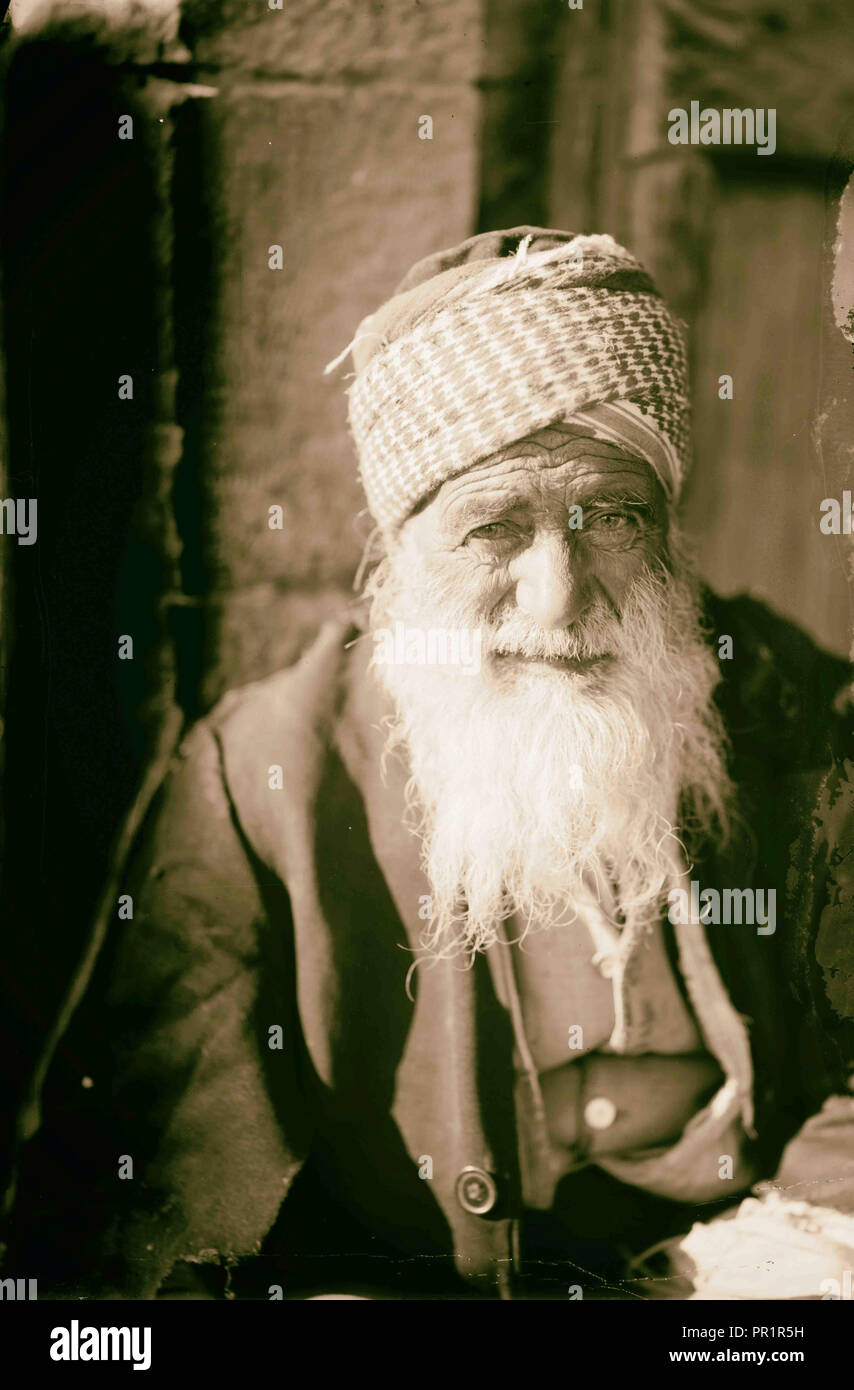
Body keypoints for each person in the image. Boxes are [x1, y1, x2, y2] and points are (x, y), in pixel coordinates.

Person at [16, 227, 854, 1300]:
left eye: (610, 515)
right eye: (493, 527)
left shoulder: (793, 713)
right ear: (398, 550)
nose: (557, 596)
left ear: (668, 530)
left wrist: (789, 1252)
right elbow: (114, 1217)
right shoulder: (263, 780)